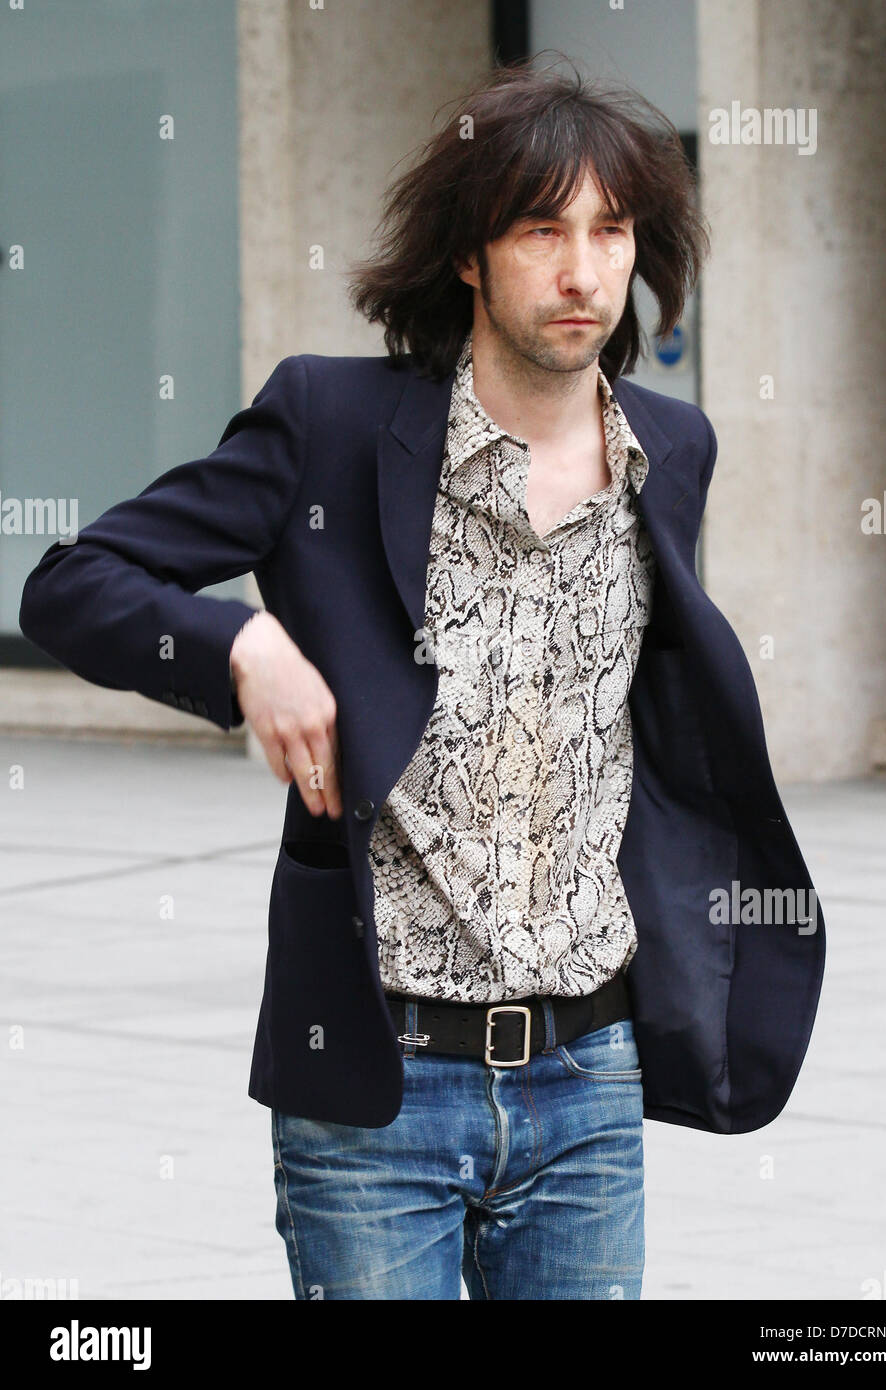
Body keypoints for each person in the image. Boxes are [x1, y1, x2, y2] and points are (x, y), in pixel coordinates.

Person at [19, 58, 825, 1301]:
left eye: (611, 231)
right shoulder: (329, 423)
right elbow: (73, 582)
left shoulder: (673, 449)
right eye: (541, 229)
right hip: (376, 1089)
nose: (582, 272)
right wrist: (241, 650)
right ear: (467, 256)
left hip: (588, 1080)